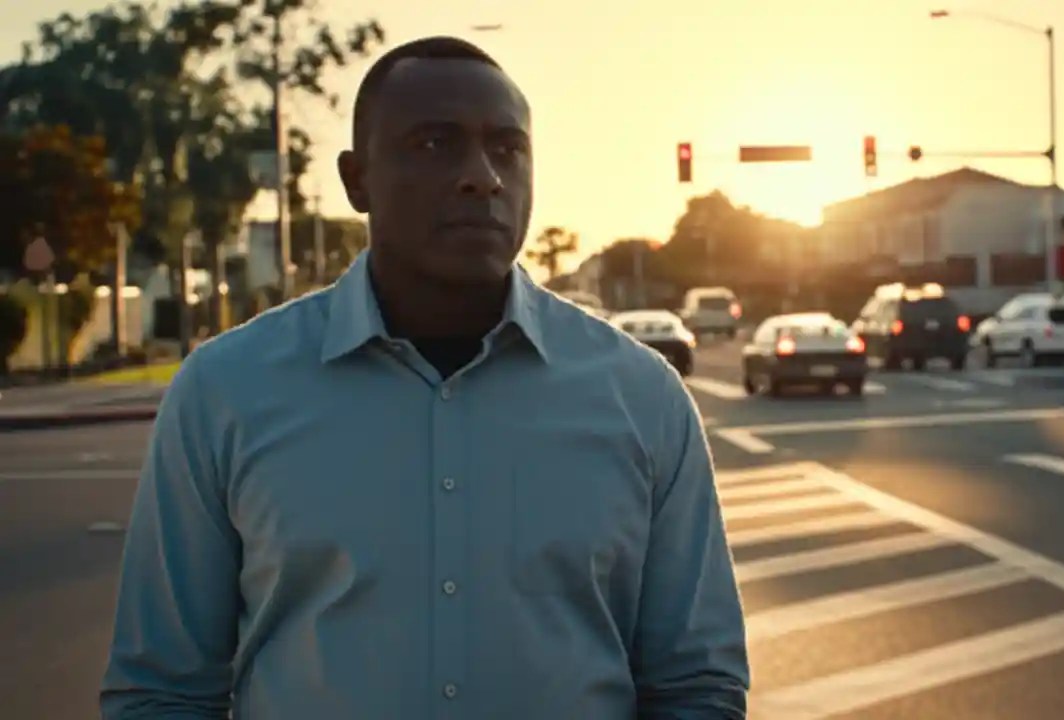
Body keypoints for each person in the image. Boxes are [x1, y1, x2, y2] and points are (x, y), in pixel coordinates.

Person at [101, 37, 749, 718]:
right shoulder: (225, 391)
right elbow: (162, 690)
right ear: (357, 180)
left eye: (507, 149)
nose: (483, 177)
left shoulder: (642, 399)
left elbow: (694, 684)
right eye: (436, 144)